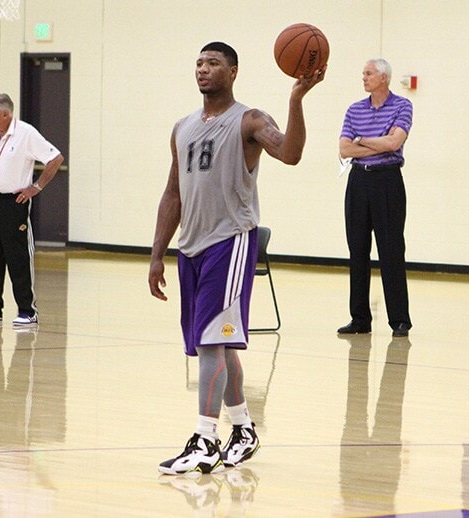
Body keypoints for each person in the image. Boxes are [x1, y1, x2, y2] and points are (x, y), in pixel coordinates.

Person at [148, 42, 325, 475]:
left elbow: (290, 153)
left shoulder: (249, 120)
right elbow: (172, 193)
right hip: (190, 247)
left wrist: (296, 100)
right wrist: (156, 255)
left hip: (230, 242)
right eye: (199, 63)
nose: (203, 69)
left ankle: (205, 439)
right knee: (218, 344)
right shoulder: (182, 128)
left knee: (212, 341)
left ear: (233, 72)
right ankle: (243, 429)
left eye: (213, 63)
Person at [0, 93, 64, 327]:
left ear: (5, 114)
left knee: (18, 257)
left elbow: (55, 158)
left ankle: (27, 311)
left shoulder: (26, 133)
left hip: (15, 203)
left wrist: (36, 187)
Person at [337, 58, 413, 338]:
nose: (364, 78)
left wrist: (361, 141)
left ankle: (400, 320)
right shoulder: (354, 109)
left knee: (391, 250)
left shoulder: (402, 105)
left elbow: (394, 143)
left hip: (388, 181)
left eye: (368, 73)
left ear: (383, 78)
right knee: (357, 250)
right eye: (363, 73)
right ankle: (359, 319)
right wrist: (377, 143)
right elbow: (344, 150)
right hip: (358, 181)